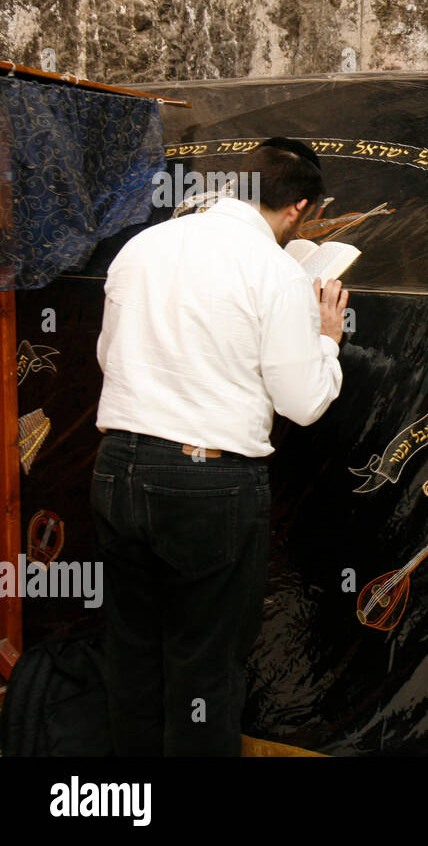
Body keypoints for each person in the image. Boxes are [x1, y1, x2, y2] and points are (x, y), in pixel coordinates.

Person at [91, 137, 348, 755]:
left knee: (131, 652)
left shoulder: (142, 246)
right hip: (204, 486)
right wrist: (326, 338)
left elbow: (108, 356)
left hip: (116, 470)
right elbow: (303, 402)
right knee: (204, 664)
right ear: (300, 210)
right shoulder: (276, 271)